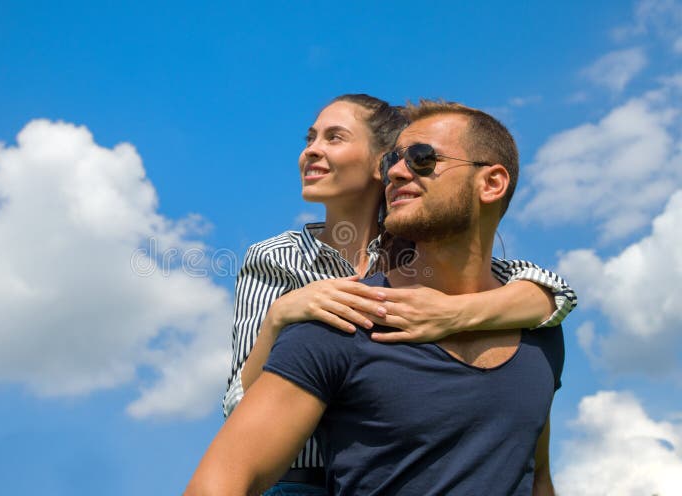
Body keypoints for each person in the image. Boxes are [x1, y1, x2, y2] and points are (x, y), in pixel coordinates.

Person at [188, 100, 564, 495]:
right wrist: (279, 316)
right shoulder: (306, 289)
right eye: (396, 163)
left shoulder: (528, 325)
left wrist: (454, 312)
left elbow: (553, 292)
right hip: (292, 477)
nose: (312, 150)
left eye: (420, 159)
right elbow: (237, 424)